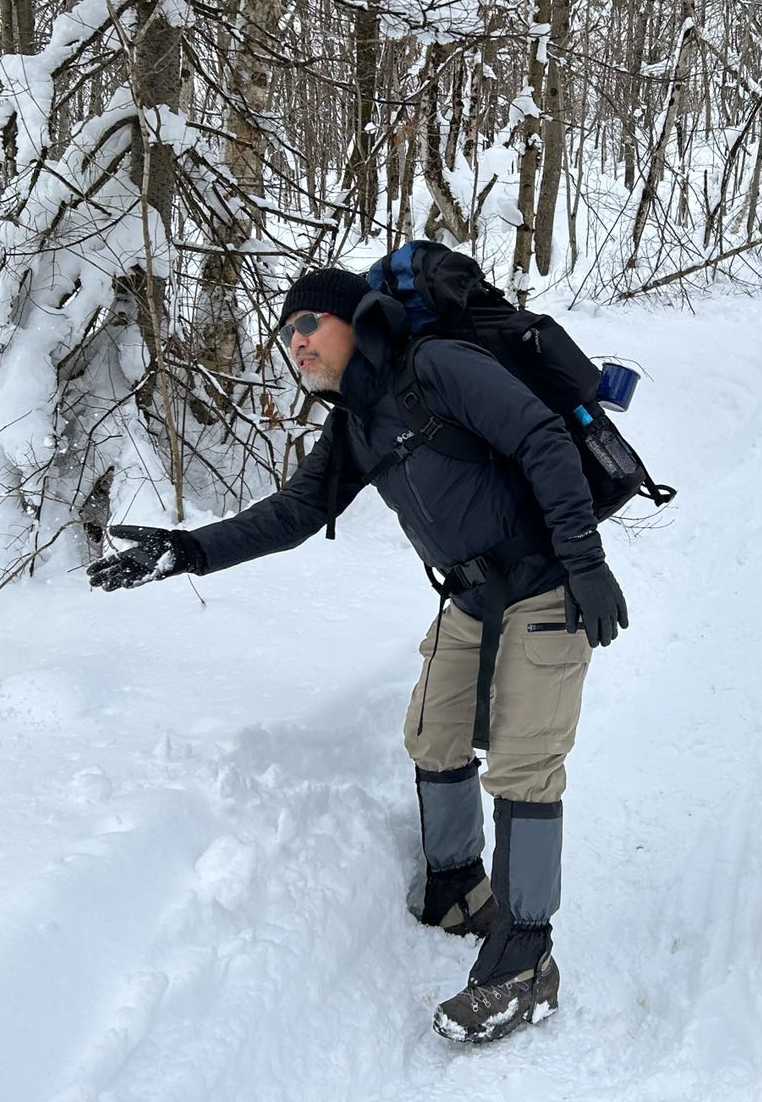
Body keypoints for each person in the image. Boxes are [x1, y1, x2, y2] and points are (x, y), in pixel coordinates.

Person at [86, 266, 628, 1043]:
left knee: (524, 765)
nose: (295, 342)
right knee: (433, 738)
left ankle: (525, 959)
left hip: (546, 580)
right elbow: (296, 511)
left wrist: (584, 560)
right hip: (470, 595)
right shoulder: (357, 420)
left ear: (356, 320)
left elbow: (540, 435)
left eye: (309, 324)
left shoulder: (437, 367)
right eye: (286, 332)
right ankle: (456, 886)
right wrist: (188, 550)